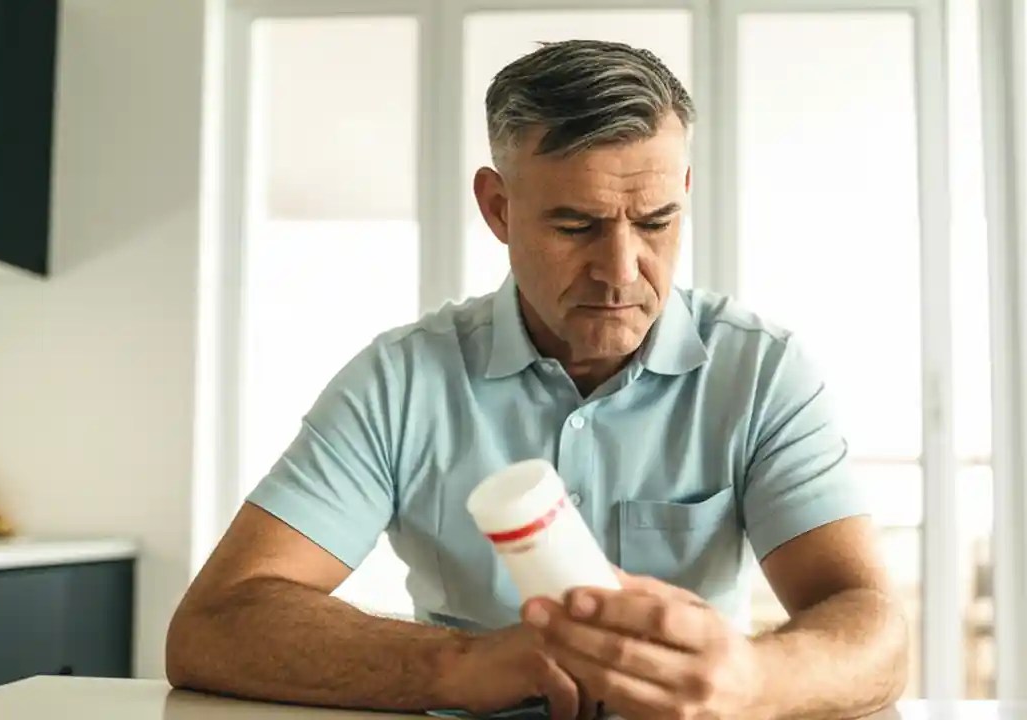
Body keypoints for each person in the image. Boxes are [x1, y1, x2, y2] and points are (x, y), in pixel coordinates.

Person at [167, 39, 907, 720]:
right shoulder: (401, 381)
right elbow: (216, 622)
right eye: (576, 225)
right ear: (497, 207)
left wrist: (754, 678)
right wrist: (461, 665)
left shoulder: (761, 373)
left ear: (683, 191)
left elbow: (875, 627)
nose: (621, 272)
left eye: (655, 222)